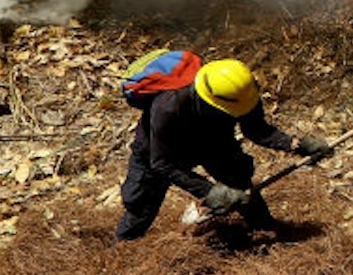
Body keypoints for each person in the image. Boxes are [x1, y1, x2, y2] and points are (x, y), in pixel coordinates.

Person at [114, 57, 334, 241]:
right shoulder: (168, 107)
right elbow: (161, 163)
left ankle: (267, 234)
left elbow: (256, 129)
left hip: (214, 142)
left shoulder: (242, 91)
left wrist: (296, 145)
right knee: (140, 205)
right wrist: (210, 191)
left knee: (241, 189)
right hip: (161, 150)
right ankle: (121, 252)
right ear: (209, 101)